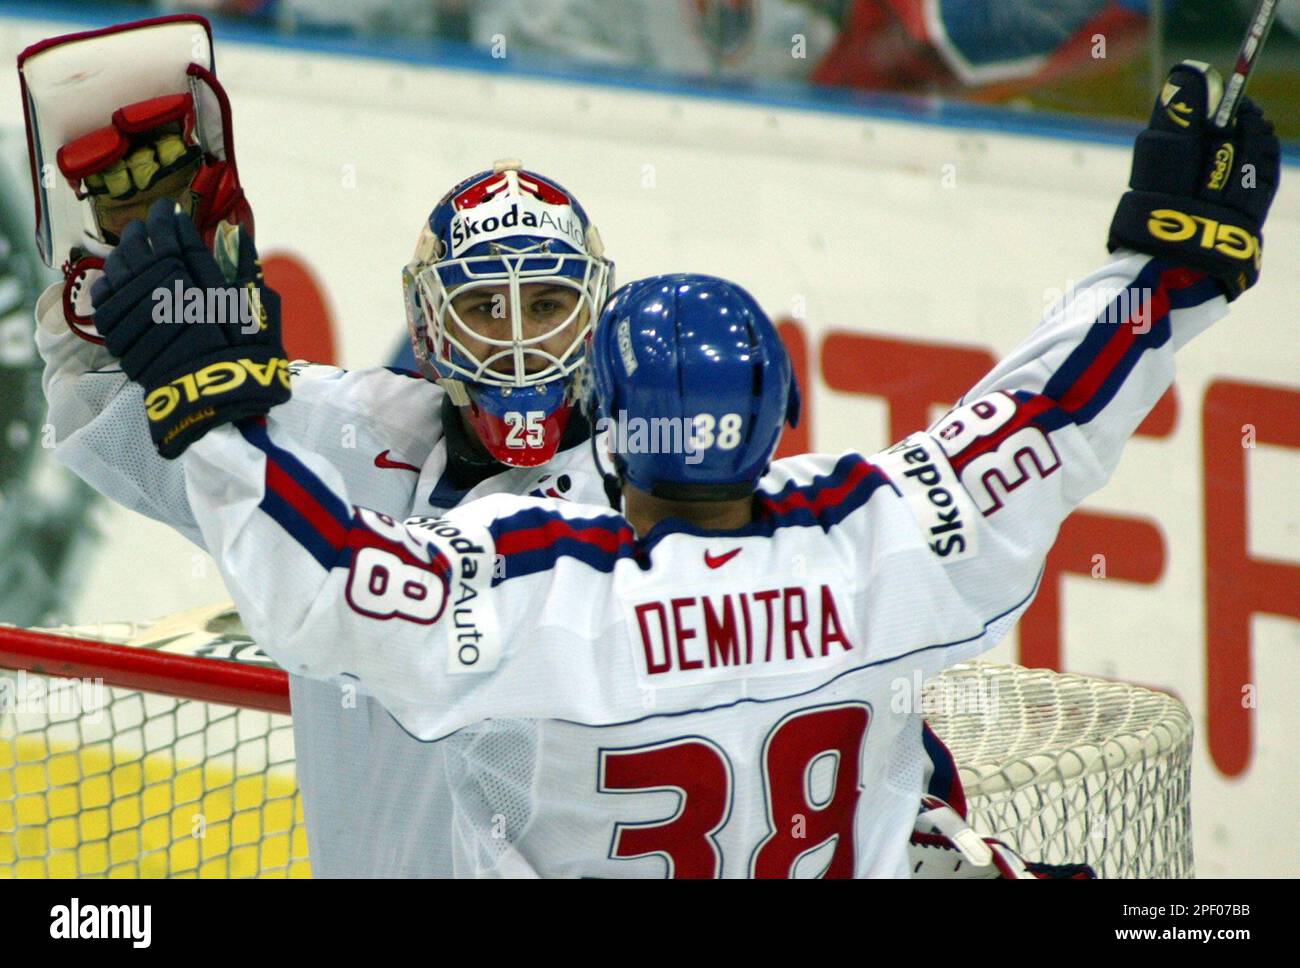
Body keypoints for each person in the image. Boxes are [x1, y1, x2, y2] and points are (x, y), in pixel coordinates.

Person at [84, 62, 1279, 876]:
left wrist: (214, 410)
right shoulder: (876, 541)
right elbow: (1045, 418)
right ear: (779, 422)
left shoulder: (545, 595)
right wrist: (1171, 275)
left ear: (610, 416)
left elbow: (332, 583)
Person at [37, 161, 615, 876]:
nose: (517, 340)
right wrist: (106, 257)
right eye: (485, 306)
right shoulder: (341, 433)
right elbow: (96, 406)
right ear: (430, 322)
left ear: (594, 314)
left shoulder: (636, 517)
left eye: (548, 305)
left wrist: (212, 407)